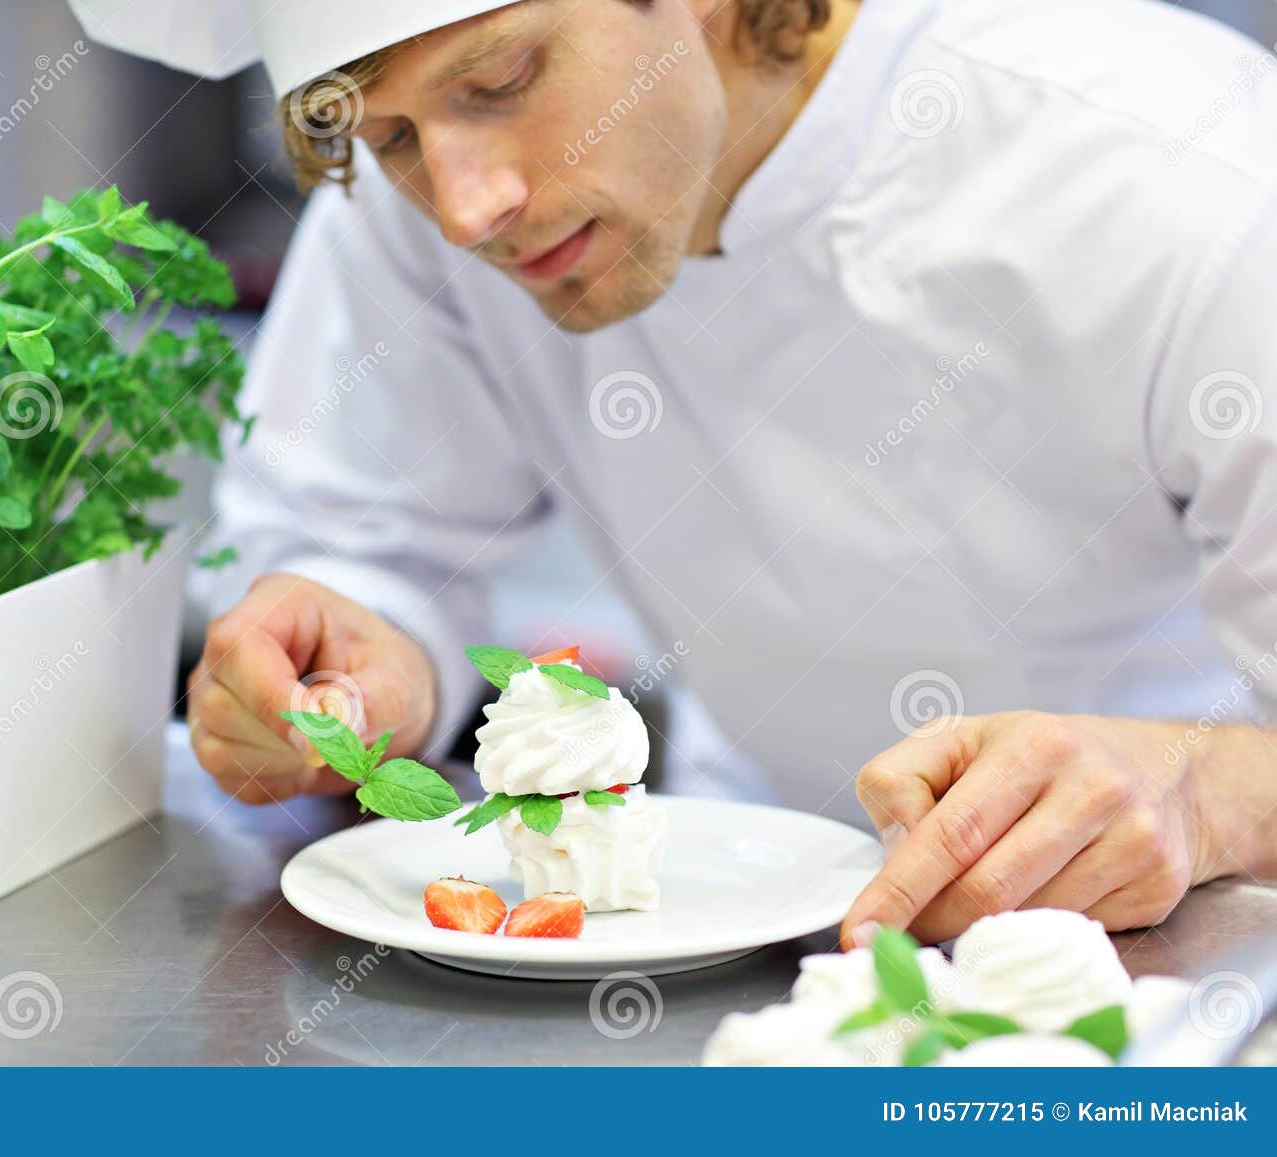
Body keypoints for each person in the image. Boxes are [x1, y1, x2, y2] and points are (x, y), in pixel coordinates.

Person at [71, 0, 1277, 947]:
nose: (465, 209)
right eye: (385, 136)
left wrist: (1208, 792)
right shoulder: (433, 208)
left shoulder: (1183, 175)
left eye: (503, 80)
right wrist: (357, 665)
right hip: (718, 917)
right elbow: (363, 544)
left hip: (1174, 941)